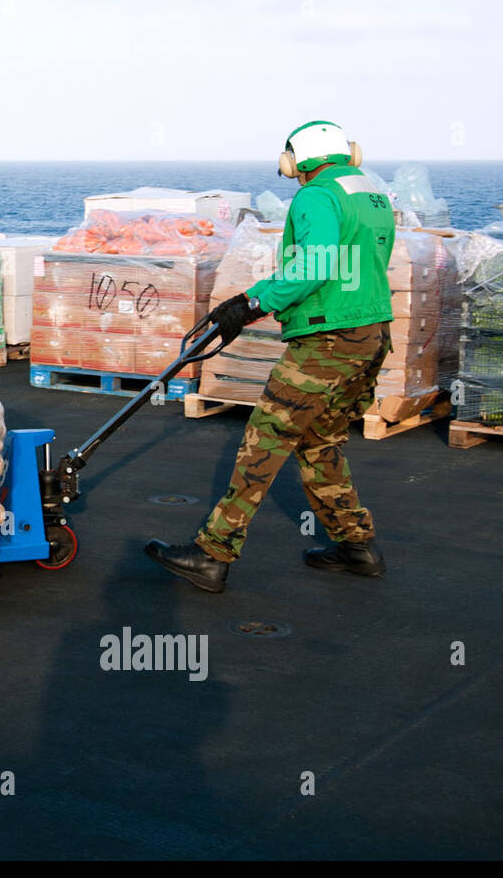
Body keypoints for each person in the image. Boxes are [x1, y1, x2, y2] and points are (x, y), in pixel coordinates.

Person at [145, 120, 395, 593]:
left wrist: (256, 302)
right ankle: (356, 546)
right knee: (320, 443)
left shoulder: (317, 195)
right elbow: (347, 264)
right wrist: (252, 298)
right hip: (371, 335)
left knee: (264, 443)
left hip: (328, 341)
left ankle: (212, 554)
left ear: (297, 157)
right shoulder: (369, 193)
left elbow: (316, 266)